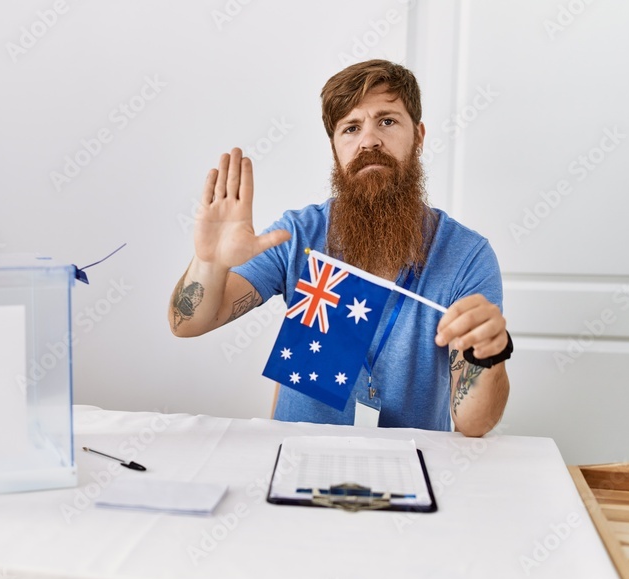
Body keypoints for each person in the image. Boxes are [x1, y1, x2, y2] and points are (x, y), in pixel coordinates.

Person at [168, 60, 510, 437]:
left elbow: (474, 423)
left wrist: (490, 352)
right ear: (335, 150)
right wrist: (209, 261)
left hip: (411, 470)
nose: (369, 141)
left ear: (420, 136)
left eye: (387, 121)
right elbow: (188, 324)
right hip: (296, 460)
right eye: (351, 128)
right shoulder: (299, 234)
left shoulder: (467, 256)